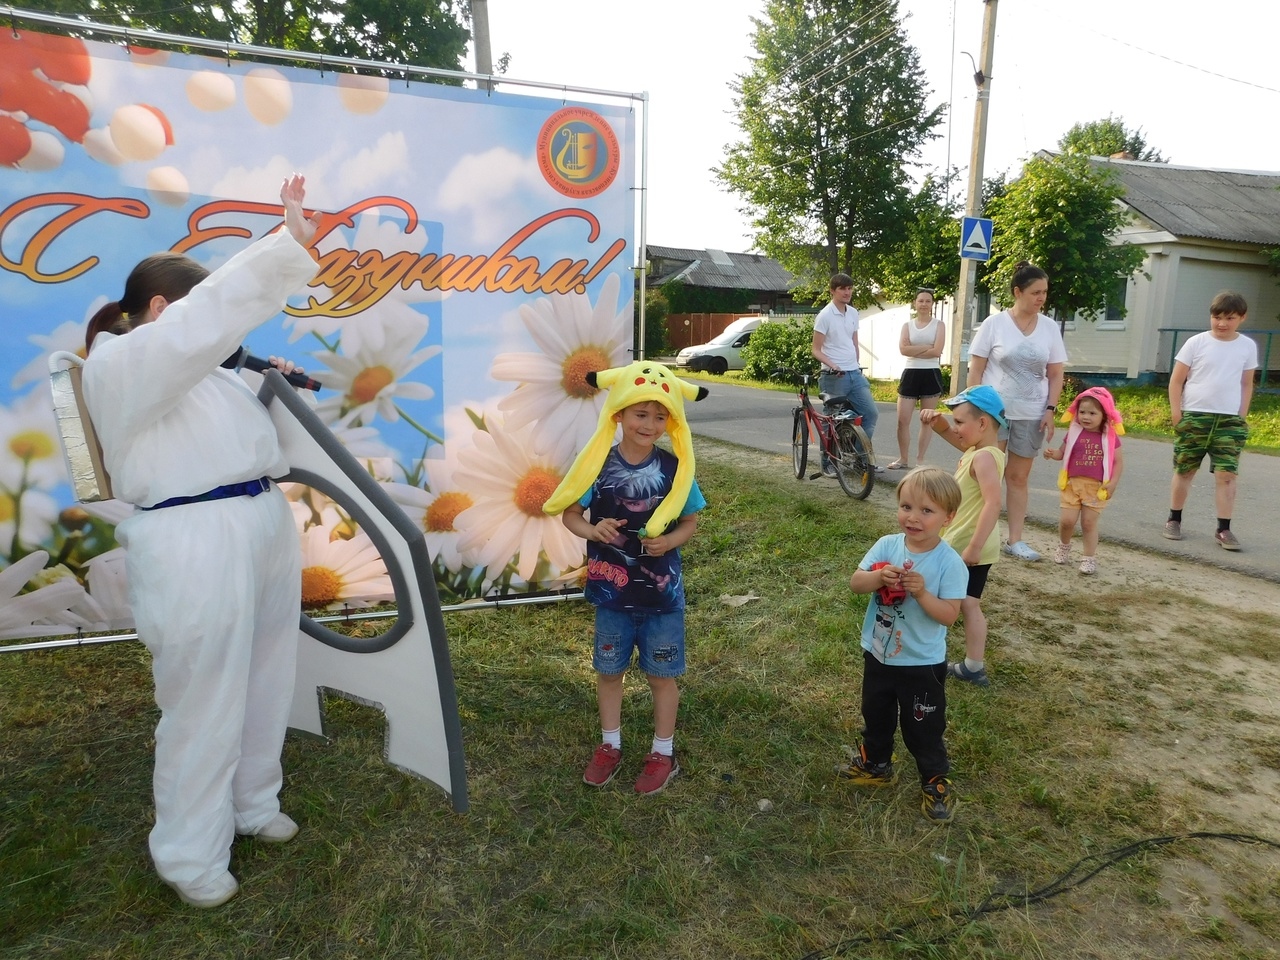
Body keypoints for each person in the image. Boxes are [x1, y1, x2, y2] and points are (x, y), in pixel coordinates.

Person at [81, 175, 320, 908]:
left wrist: (274, 386)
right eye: (201, 306)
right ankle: (189, 854)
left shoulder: (211, 376)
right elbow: (202, 325)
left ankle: (252, 801)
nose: (221, 328)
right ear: (160, 309)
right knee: (204, 698)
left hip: (256, 520)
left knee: (265, 673)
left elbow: (265, 445)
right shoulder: (119, 363)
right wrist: (284, 248)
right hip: (192, 536)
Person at [550, 361, 707, 796]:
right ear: (618, 414)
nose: (650, 424)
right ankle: (610, 745)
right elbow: (570, 514)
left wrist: (670, 539)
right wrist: (592, 530)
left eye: (661, 416)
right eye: (641, 414)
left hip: (662, 599)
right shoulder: (596, 465)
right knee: (609, 671)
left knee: (662, 676)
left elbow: (690, 520)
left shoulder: (676, 468)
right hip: (611, 594)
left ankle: (662, 753)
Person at [840, 467, 968, 823]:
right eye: (906, 506)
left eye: (926, 511)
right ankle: (875, 762)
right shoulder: (887, 545)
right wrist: (879, 576)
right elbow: (855, 583)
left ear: (948, 517)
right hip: (879, 653)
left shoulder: (949, 563)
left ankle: (933, 779)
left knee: (923, 725)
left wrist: (922, 592)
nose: (913, 517)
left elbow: (948, 616)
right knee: (876, 713)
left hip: (920, 663)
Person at [967, 261, 1068, 561]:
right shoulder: (994, 324)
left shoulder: (1049, 328)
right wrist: (975, 407)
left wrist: (1050, 408)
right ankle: (977, 535)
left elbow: (1055, 374)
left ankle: (1015, 540)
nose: (1041, 298)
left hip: (1031, 411)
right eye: (1035, 292)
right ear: (1017, 292)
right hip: (994, 413)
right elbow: (976, 369)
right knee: (986, 474)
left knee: (1018, 478)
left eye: (1045, 293)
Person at [920, 385, 1006, 688]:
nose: (955, 428)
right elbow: (958, 441)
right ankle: (973, 666)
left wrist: (973, 546)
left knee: (935, 599)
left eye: (960, 422)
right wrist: (940, 423)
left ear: (981, 424)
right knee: (969, 603)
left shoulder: (982, 459)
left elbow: (994, 503)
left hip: (968, 546)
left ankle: (924, 656)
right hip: (976, 546)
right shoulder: (983, 451)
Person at [1164, 291, 1258, 551]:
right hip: (1195, 416)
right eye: (1217, 317)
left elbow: (1246, 383)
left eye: (1230, 318)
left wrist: (1241, 415)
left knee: (1227, 475)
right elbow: (1176, 380)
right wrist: (1176, 413)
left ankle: (1224, 529)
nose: (1222, 323)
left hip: (1229, 421)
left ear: (1242, 317)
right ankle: (1174, 519)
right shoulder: (1196, 342)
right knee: (1185, 470)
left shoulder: (1247, 346)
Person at [1043, 387, 1125, 574]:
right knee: (1067, 521)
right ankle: (1064, 545)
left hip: (1096, 487)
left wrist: (1113, 483)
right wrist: (1052, 454)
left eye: (1092, 413)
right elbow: (1062, 453)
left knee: (1088, 524)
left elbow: (1118, 462)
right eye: (1082, 412)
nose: (1086, 417)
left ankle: (1089, 557)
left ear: (1104, 415)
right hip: (1072, 485)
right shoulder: (1073, 432)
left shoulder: (1110, 437)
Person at [812, 272, 879, 476]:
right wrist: (832, 365)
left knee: (870, 414)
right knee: (831, 419)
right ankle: (828, 462)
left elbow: (853, 341)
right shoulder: (824, 316)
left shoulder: (853, 313)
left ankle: (859, 458)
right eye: (842, 288)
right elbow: (815, 349)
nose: (847, 292)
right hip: (834, 376)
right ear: (833, 291)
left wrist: (856, 363)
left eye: (849, 288)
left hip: (854, 373)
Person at [888, 288, 945, 470]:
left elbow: (937, 351)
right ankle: (903, 459)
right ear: (915, 303)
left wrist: (915, 348)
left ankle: (920, 460)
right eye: (921, 300)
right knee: (902, 420)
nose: (924, 304)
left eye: (928, 301)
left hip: (930, 373)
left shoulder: (939, 325)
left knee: (926, 420)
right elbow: (903, 350)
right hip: (911, 373)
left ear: (932, 304)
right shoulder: (908, 326)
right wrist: (925, 346)